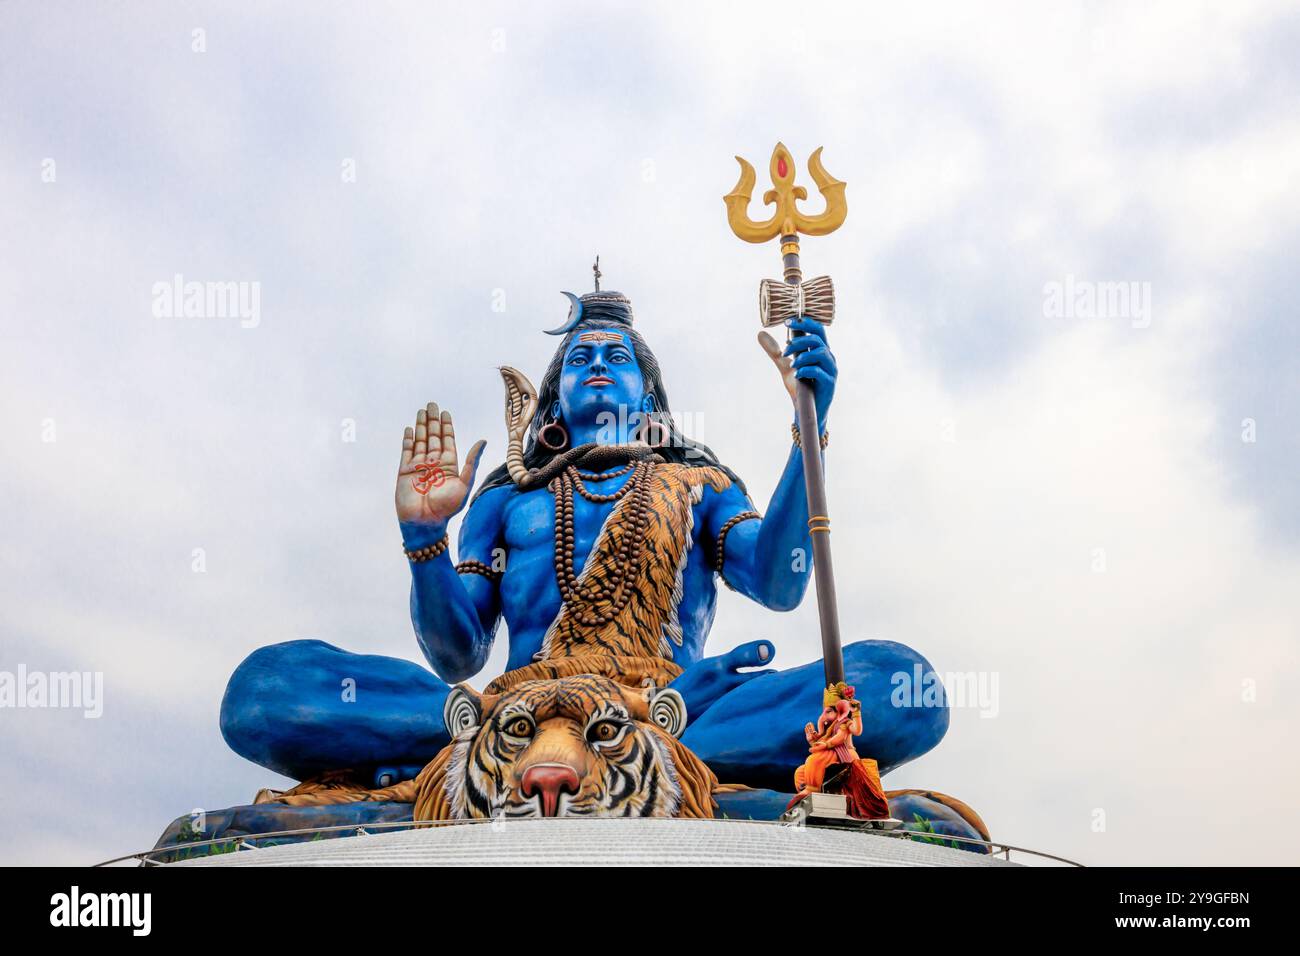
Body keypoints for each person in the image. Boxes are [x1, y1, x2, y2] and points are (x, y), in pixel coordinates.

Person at [220, 286, 947, 791]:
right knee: (263, 692)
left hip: (670, 702)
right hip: (508, 710)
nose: (597, 362)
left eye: (617, 356)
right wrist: (424, 541)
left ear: (649, 398)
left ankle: (658, 734)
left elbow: (783, 582)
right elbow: (455, 652)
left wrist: (807, 434)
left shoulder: (697, 482)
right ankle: (504, 735)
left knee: (899, 686)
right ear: (552, 400)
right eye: (579, 358)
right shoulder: (509, 497)